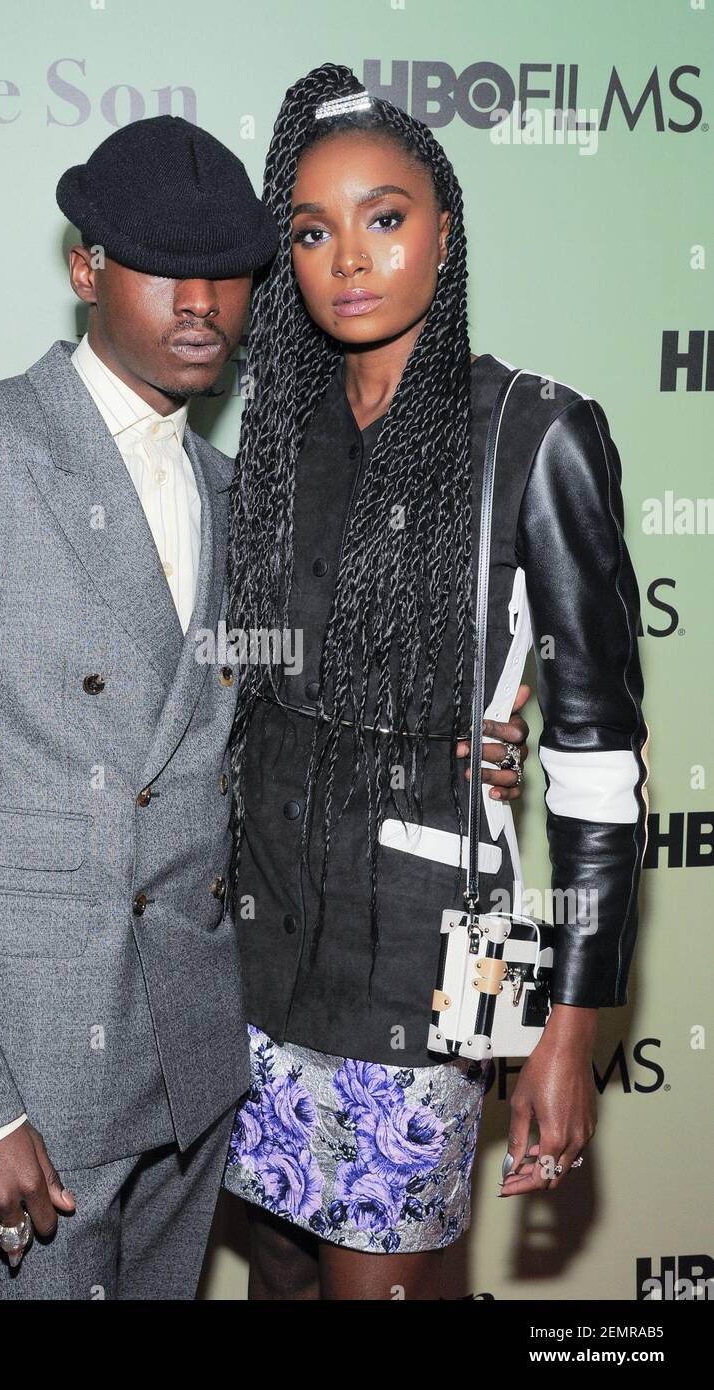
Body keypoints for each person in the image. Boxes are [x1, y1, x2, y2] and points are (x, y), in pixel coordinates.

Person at [0, 114, 277, 1301]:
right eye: (165, 266)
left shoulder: (231, 495)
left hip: (187, 1066)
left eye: (227, 271)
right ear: (86, 269)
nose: (202, 301)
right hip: (26, 1078)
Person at [221, 65, 649, 1301]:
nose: (348, 257)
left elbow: (598, 771)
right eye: (311, 230)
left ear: (445, 229)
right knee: (283, 1287)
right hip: (257, 949)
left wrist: (570, 1031)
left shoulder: (537, 433)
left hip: (425, 956)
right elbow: (255, 664)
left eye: (385, 216)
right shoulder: (277, 440)